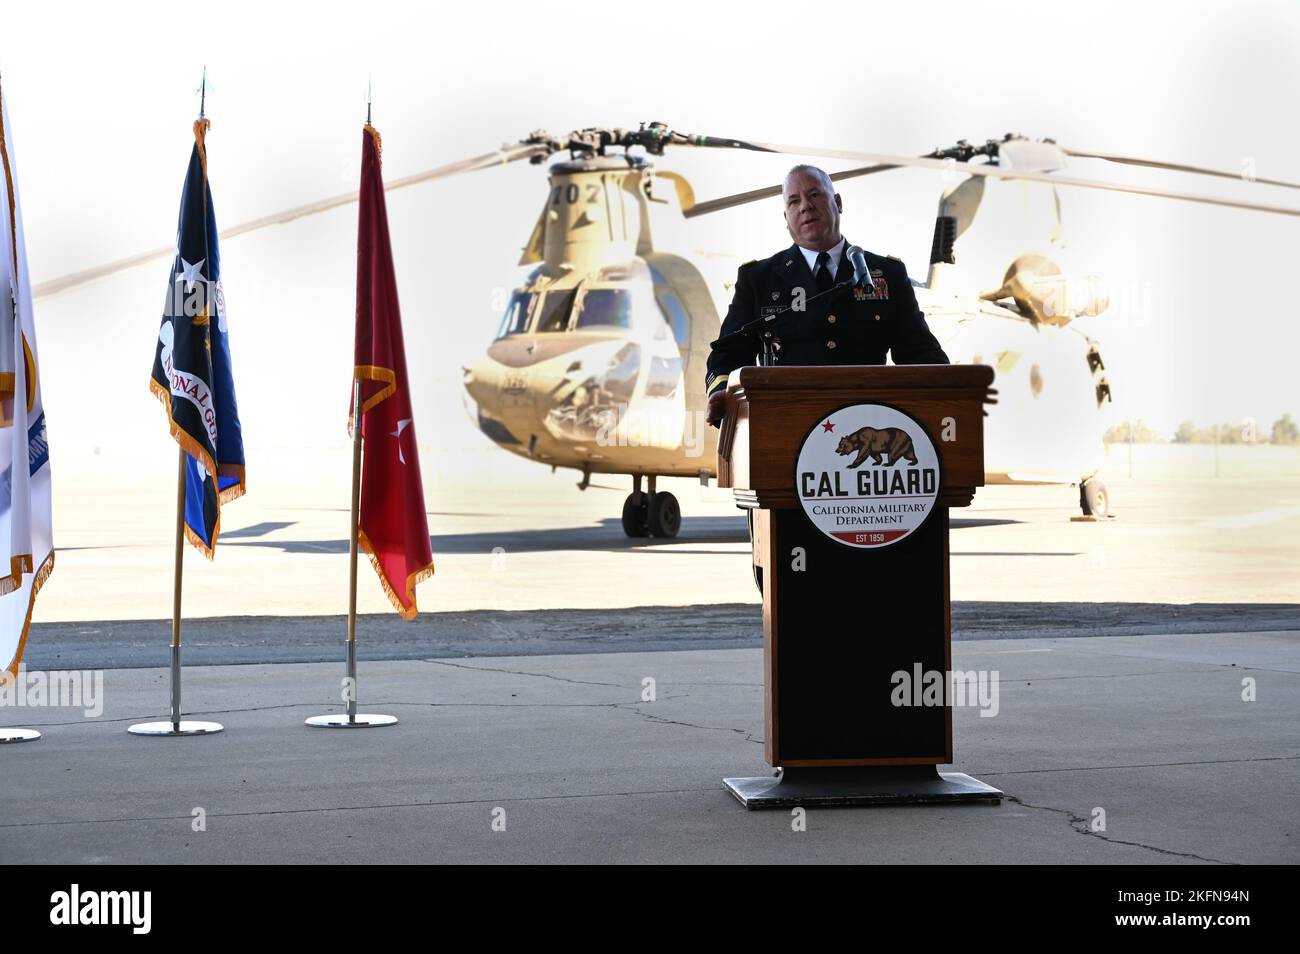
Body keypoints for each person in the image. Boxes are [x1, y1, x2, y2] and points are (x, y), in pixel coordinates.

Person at [705, 164, 948, 426]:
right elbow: (727, 355)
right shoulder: (759, 280)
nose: (805, 206)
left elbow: (920, 354)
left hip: (868, 424)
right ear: (786, 218)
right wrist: (721, 392)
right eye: (794, 201)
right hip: (786, 426)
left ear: (838, 202)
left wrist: (952, 391)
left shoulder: (886, 274)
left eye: (815, 195)